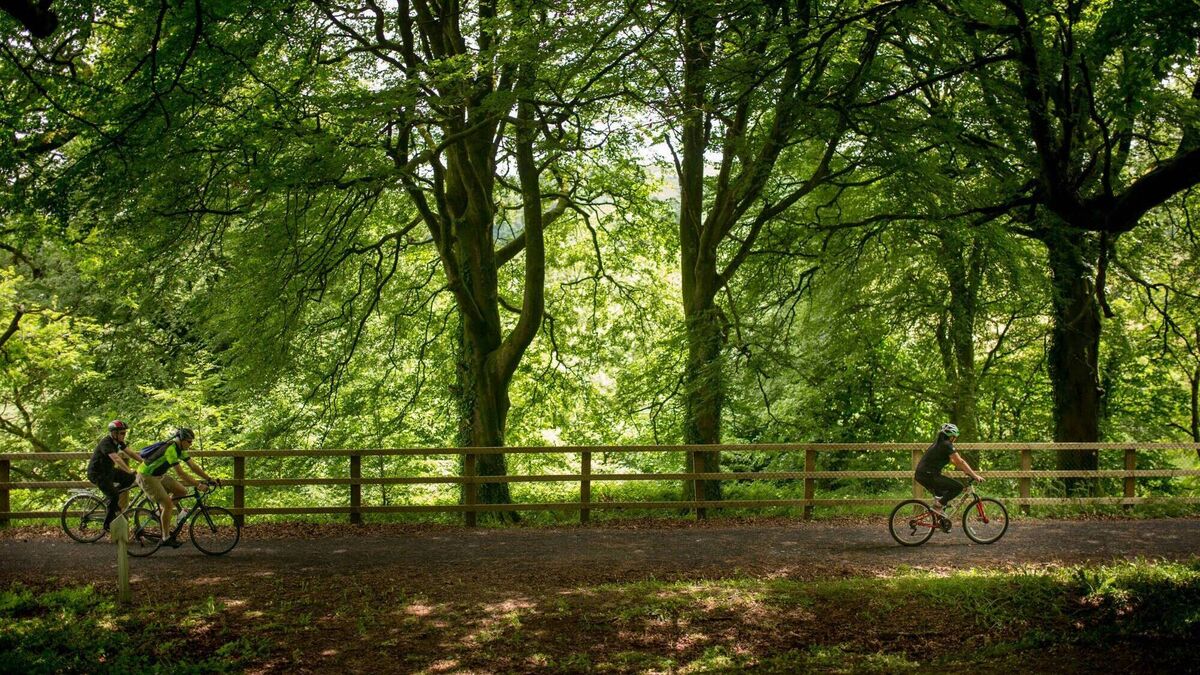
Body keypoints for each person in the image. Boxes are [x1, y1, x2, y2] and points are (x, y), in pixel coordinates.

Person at [134, 427, 217, 547]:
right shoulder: (171, 450)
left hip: (158, 475)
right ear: (181, 440)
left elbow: (193, 466)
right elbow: (181, 473)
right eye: (189, 441)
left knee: (182, 491)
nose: (190, 444)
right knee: (168, 505)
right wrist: (198, 485)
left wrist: (209, 479)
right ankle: (165, 537)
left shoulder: (180, 449)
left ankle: (160, 512)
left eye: (191, 441)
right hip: (146, 476)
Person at [914, 423, 984, 530]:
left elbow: (954, 461)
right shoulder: (947, 445)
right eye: (955, 437)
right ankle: (938, 507)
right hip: (929, 475)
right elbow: (960, 461)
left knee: (943, 496)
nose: (955, 439)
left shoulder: (939, 444)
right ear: (952, 436)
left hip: (923, 475)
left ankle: (940, 521)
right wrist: (974, 475)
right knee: (958, 487)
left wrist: (966, 471)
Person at [86, 420, 142, 536]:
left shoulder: (118, 442)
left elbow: (130, 453)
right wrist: (129, 470)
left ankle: (112, 500)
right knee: (115, 495)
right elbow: (116, 459)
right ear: (114, 433)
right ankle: (107, 525)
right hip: (97, 474)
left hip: (108, 472)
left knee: (129, 479)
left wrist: (144, 462)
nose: (124, 435)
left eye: (124, 433)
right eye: (122, 433)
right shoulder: (106, 443)